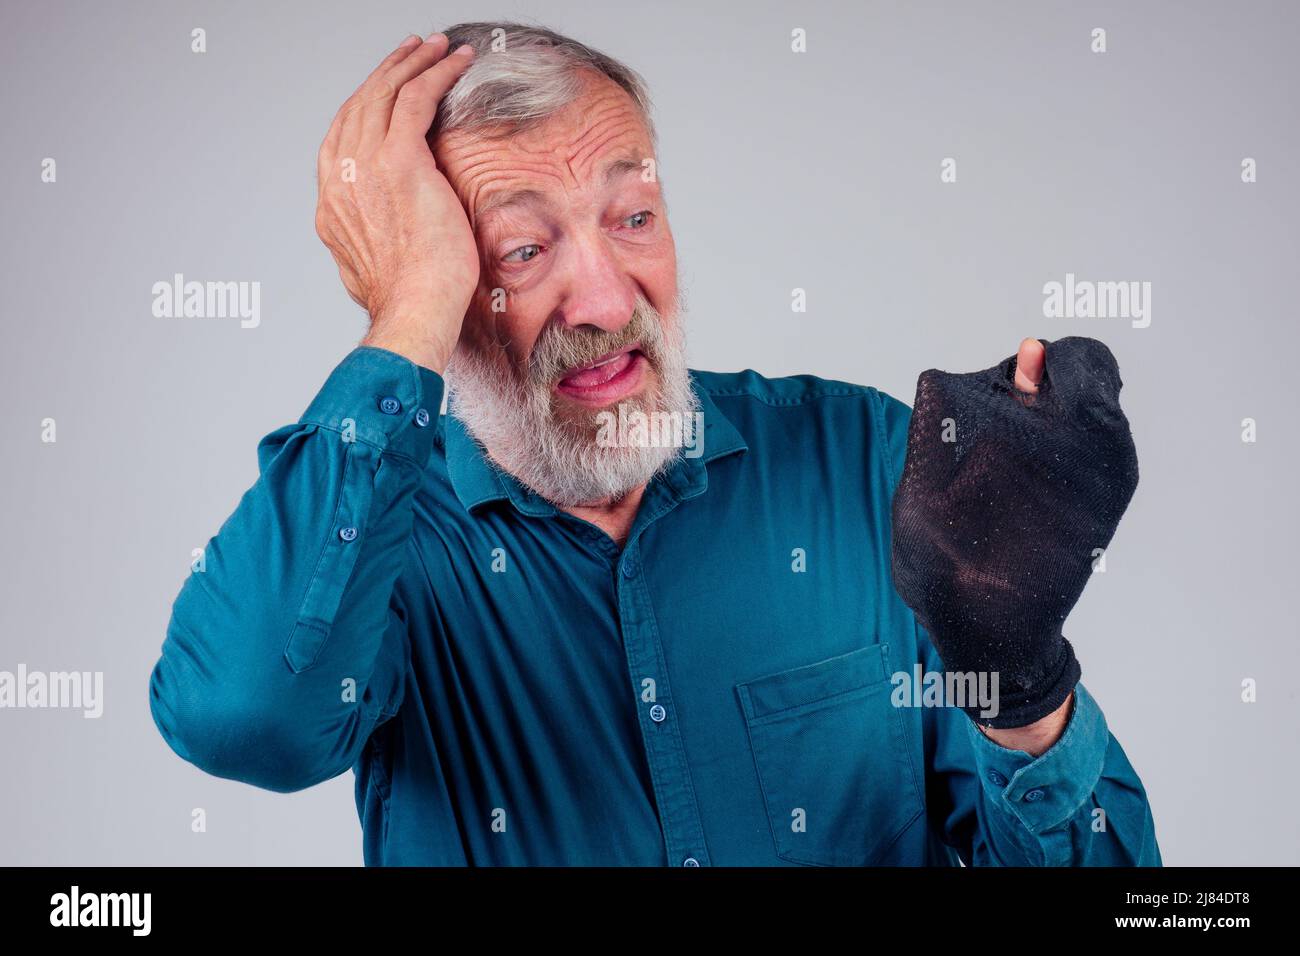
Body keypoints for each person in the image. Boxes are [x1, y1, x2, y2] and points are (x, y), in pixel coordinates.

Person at [148, 22, 1161, 866]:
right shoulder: (382, 538)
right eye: (524, 248)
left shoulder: (859, 462)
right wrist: (405, 308)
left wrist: (1021, 681)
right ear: (441, 277)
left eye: (632, 216)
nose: (602, 299)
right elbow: (242, 716)